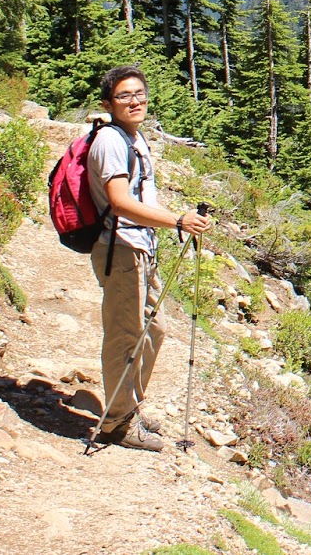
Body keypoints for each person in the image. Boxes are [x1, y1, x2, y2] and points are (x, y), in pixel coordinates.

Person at [88, 65, 212, 451]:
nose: (135, 101)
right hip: (120, 249)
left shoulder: (133, 137)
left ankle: (128, 407)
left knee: (152, 330)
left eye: (139, 93)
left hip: (140, 247)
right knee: (126, 336)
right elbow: (121, 203)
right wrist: (176, 220)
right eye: (124, 96)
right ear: (109, 103)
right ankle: (117, 425)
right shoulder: (110, 142)